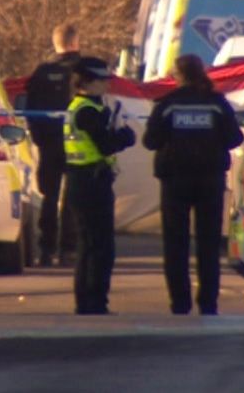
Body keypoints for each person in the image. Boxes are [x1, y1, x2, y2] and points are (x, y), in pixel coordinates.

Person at [142, 54, 244, 316]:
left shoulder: (168, 105)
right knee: (208, 245)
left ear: (177, 76)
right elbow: (235, 138)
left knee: (175, 245)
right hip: (210, 180)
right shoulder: (217, 103)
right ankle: (208, 304)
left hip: (175, 181)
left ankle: (180, 303)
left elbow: (151, 140)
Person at [63, 57, 135, 314]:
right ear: (89, 82)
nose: (106, 85)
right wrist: (125, 137)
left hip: (84, 181)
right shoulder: (86, 111)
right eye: (102, 81)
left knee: (89, 244)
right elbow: (105, 144)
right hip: (91, 182)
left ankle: (87, 302)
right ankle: (94, 302)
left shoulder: (82, 107)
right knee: (99, 246)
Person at [26, 23, 82, 267]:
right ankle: (69, 249)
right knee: (72, 197)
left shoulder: (41, 72)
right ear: (74, 43)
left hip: (49, 143)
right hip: (78, 143)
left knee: (49, 196)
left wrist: (39, 138)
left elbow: (30, 108)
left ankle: (47, 249)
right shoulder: (84, 69)